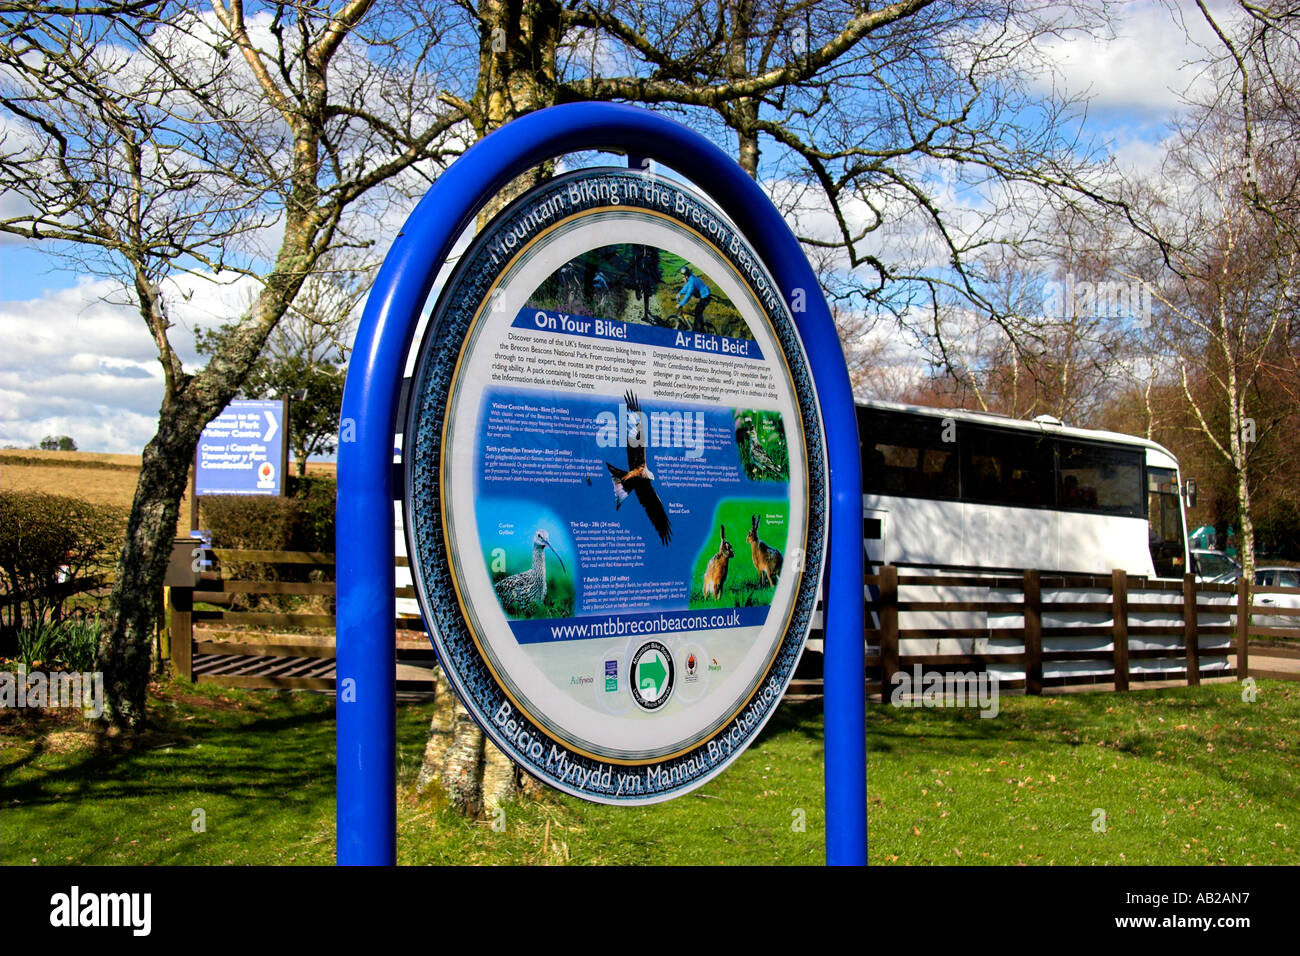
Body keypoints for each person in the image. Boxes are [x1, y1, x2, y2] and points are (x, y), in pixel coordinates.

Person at [676, 265, 711, 332]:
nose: (682, 278)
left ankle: (697, 330)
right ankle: (701, 328)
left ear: (686, 276)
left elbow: (688, 294)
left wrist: (681, 304)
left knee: (697, 311)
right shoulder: (690, 278)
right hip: (702, 296)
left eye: (683, 277)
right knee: (698, 312)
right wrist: (680, 293)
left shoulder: (692, 281)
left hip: (706, 296)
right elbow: (686, 286)